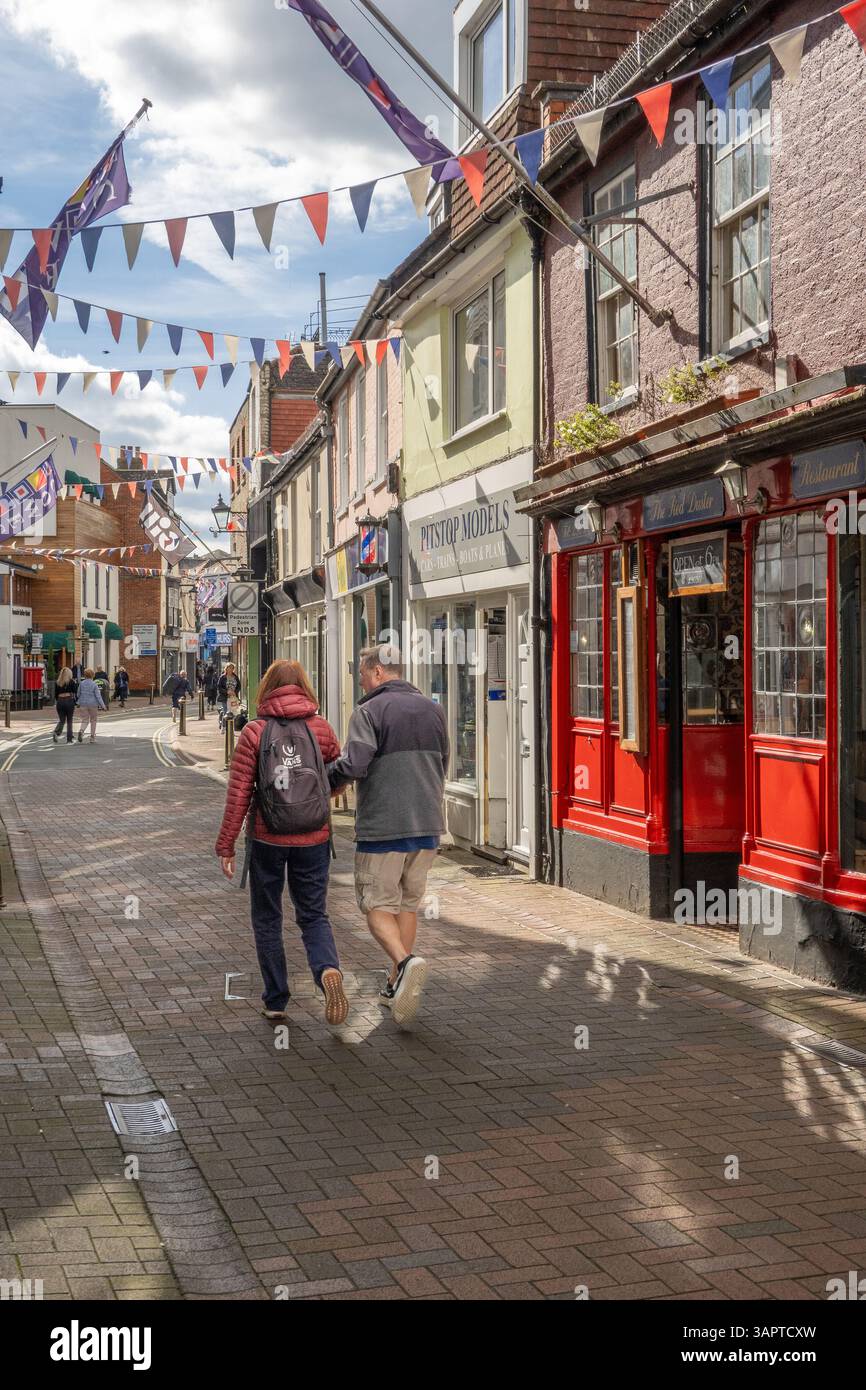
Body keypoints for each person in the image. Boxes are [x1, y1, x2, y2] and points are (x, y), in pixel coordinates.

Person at [215, 658, 348, 1026]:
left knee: (268, 917)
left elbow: (239, 793)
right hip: (314, 837)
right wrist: (318, 797)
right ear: (304, 685)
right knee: (313, 914)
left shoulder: (255, 732)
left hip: (268, 838)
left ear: (267, 687)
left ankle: (276, 999)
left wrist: (226, 845)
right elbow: (336, 776)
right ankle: (327, 972)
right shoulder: (321, 727)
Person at [327, 644, 448, 1027]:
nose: (360, 681)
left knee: (377, 904)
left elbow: (356, 762)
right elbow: (444, 761)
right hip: (427, 823)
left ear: (378, 672)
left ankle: (405, 962)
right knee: (406, 905)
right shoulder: (433, 709)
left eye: (362, 673)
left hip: (384, 826)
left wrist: (329, 779)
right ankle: (397, 982)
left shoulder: (368, 711)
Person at [76, 667, 106, 742]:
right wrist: (103, 705)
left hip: (83, 704)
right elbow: (98, 696)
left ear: (85, 675)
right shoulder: (94, 684)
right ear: (93, 675)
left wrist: (79, 701)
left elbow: (78, 694)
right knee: (93, 720)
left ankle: (81, 731)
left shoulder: (81, 684)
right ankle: (92, 737)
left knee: (85, 720)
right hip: (93, 704)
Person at [52, 667, 78, 744]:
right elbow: (75, 692)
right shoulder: (72, 682)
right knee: (69, 720)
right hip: (69, 700)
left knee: (62, 720)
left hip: (60, 701)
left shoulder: (57, 682)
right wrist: (75, 702)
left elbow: (55, 695)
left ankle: (56, 732)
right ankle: (69, 739)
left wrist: (59, 701)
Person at [217, 663, 241, 729]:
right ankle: (224, 727)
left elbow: (239, 686)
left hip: (233, 698)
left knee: (233, 712)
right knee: (226, 712)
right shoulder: (222, 677)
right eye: (229, 668)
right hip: (225, 697)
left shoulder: (235, 677)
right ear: (226, 668)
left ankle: (230, 727)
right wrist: (227, 692)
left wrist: (235, 692)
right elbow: (219, 687)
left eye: (232, 668)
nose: (230, 669)